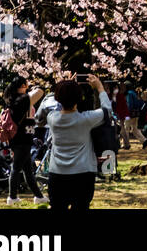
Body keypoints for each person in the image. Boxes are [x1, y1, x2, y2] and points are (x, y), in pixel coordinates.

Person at [46, 75, 111, 210]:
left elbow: (58, 105)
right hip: (83, 173)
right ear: (79, 98)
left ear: (57, 97)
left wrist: (63, 86)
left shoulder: (52, 118)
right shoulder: (86, 119)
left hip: (57, 173)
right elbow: (107, 111)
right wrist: (100, 88)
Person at [2, 76, 47, 206]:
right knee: (16, 168)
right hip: (22, 139)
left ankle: (38, 196)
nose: (27, 87)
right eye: (24, 85)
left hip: (20, 138)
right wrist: (34, 88)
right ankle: (12, 197)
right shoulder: (21, 100)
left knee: (27, 169)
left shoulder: (14, 100)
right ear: (19, 87)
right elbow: (40, 92)